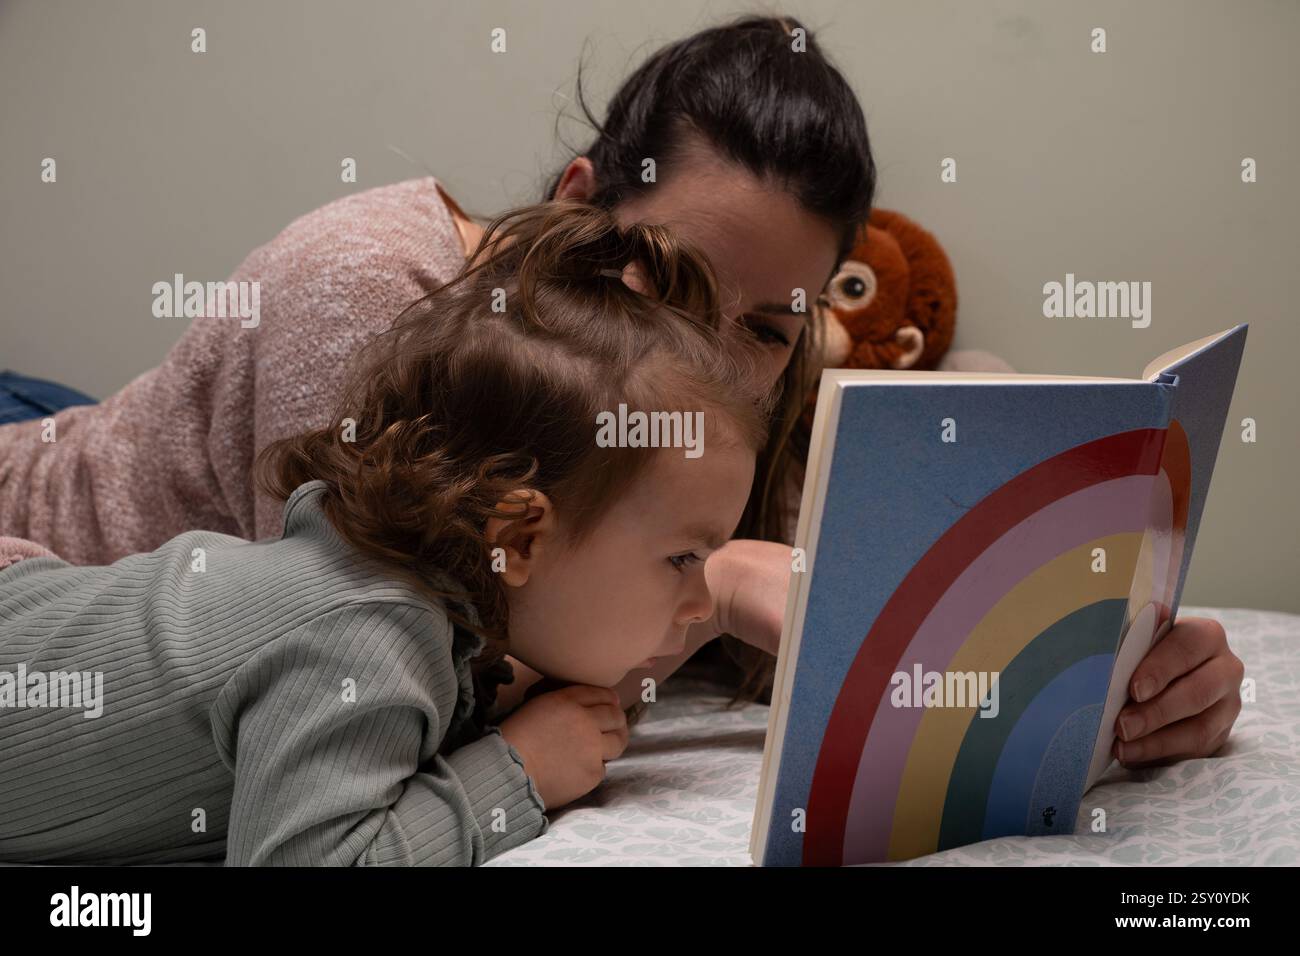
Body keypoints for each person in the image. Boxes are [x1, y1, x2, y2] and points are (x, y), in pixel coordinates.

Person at [0, 14, 1241, 771]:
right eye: (676, 280)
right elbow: (367, 680)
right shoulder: (370, 293)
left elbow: (866, 615)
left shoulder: (767, 363)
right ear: (581, 199)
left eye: (763, 321)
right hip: (49, 523)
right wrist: (731, 582)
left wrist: (1108, 669)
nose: (711, 347)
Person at [0, 202, 770, 866]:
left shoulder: (416, 601)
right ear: (522, 537)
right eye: (681, 559)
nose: (701, 602)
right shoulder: (364, 633)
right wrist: (517, 775)